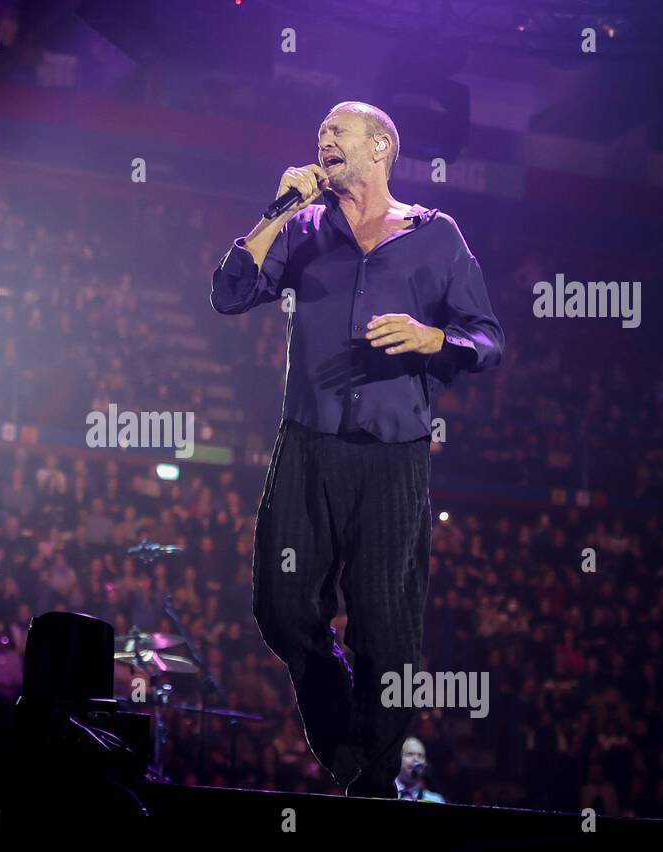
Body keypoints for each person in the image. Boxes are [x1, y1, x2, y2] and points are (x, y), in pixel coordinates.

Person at [210, 101, 504, 797]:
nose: (324, 140)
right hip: (308, 445)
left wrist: (435, 340)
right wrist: (277, 210)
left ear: (380, 148)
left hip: (394, 457)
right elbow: (229, 293)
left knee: (385, 630)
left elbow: (487, 339)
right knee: (281, 608)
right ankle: (352, 743)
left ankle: (368, 787)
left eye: (337, 131)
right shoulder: (304, 228)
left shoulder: (436, 237)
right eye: (318, 134)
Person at [393, 737, 445, 802]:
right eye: (410, 754)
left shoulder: (435, 800)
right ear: (398, 758)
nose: (416, 759)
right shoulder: (384, 792)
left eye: (420, 756)